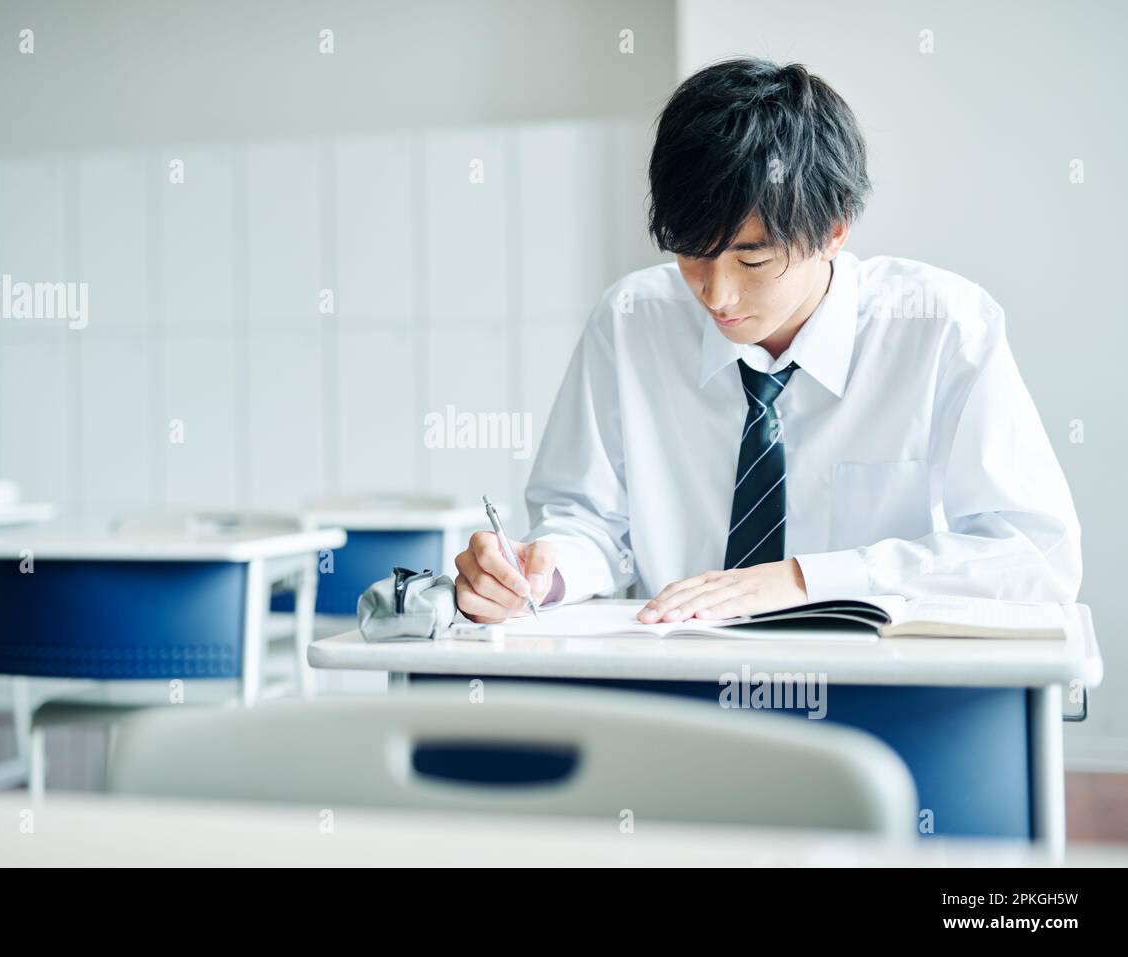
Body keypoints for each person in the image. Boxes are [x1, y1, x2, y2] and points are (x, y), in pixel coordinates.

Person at [454, 57, 1080, 625]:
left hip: (882, 689)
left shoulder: (942, 327)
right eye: (692, 255)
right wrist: (541, 571)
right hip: (674, 681)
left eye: (751, 262)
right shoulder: (631, 319)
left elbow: (1034, 557)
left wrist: (807, 580)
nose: (716, 295)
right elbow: (586, 520)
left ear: (834, 232)